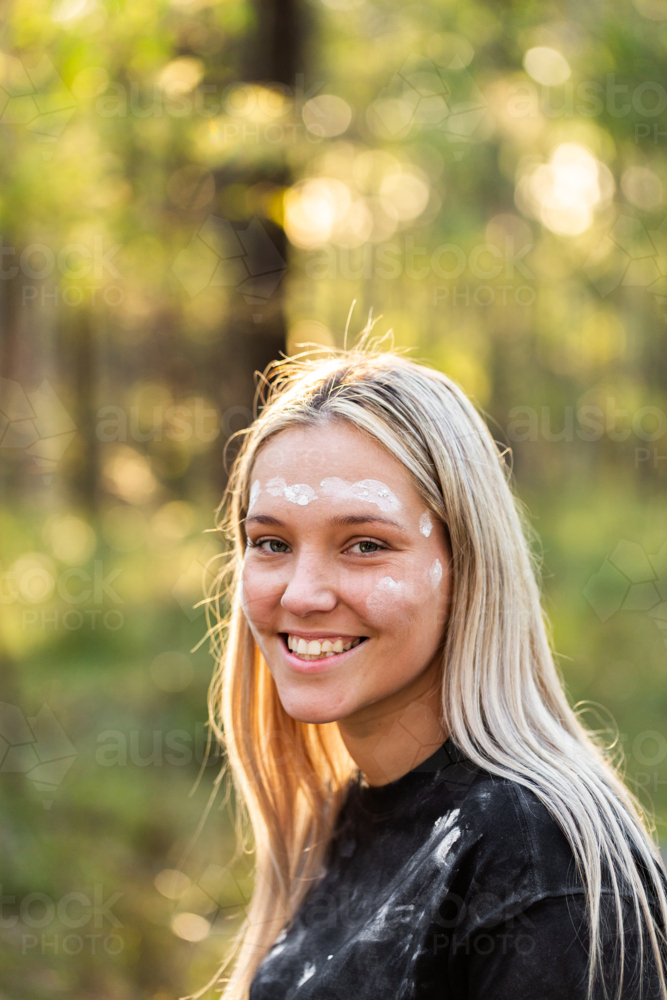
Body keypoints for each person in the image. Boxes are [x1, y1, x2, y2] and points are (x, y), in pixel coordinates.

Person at [206, 346, 667, 1000]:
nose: (302, 594)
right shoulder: (351, 811)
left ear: (466, 567)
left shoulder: (536, 863)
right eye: (272, 543)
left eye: (364, 545)